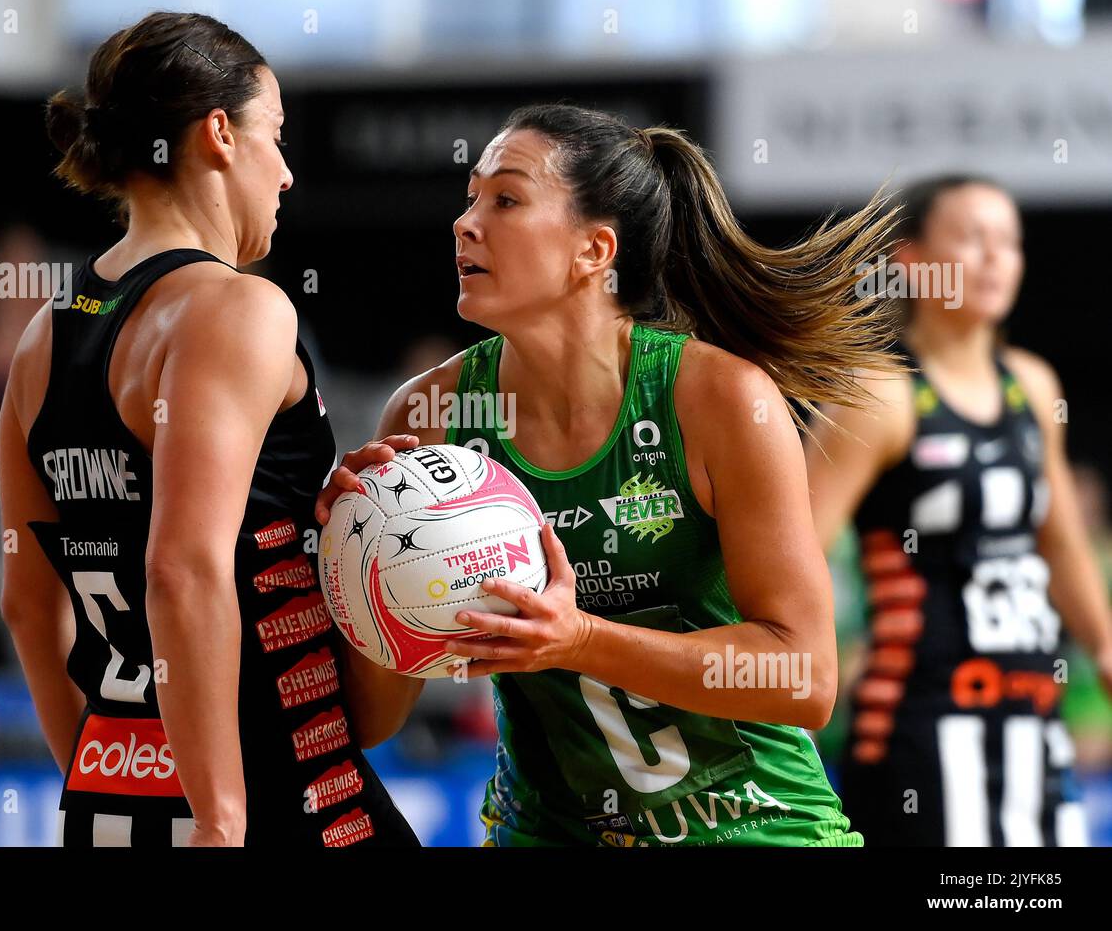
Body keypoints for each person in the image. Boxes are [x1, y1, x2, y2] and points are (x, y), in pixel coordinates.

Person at [318, 103, 904, 846]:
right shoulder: (428, 415)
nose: (465, 223)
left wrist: (580, 640)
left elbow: (804, 679)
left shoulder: (718, 398)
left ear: (594, 250)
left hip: (755, 828)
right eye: (470, 199)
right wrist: (355, 555)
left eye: (505, 199)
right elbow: (374, 722)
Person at [0, 11, 418, 847]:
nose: (288, 174)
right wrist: (220, 819)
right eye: (278, 136)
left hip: (114, 810)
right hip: (280, 802)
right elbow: (182, 569)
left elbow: (26, 603)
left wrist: (94, 776)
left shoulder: (41, 337)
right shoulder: (237, 309)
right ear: (219, 134)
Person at [804, 175, 1112, 846]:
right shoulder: (878, 394)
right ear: (913, 263)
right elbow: (790, 552)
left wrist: (1105, 644)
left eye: (1010, 241)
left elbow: (1059, 541)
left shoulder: (1032, 384)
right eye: (973, 239)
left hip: (1033, 714)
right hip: (920, 724)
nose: (997, 257)